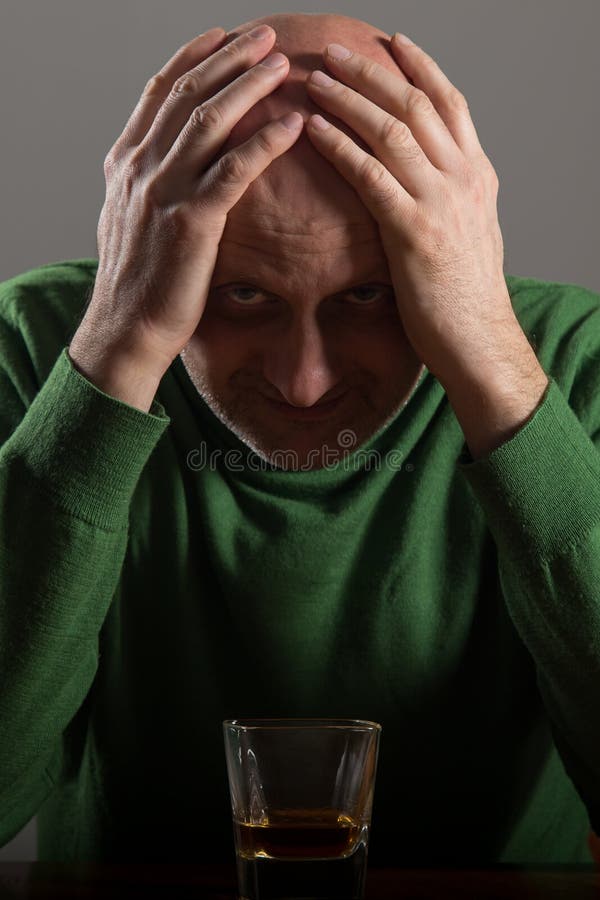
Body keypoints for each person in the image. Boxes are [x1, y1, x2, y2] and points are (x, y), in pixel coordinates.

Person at [0, 10, 599, 867]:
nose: (303, 383)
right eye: (242, 296)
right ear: (144, 239)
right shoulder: (33, 350)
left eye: (367, 298)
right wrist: (116, 349)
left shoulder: (572, 361)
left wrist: (494, 366)